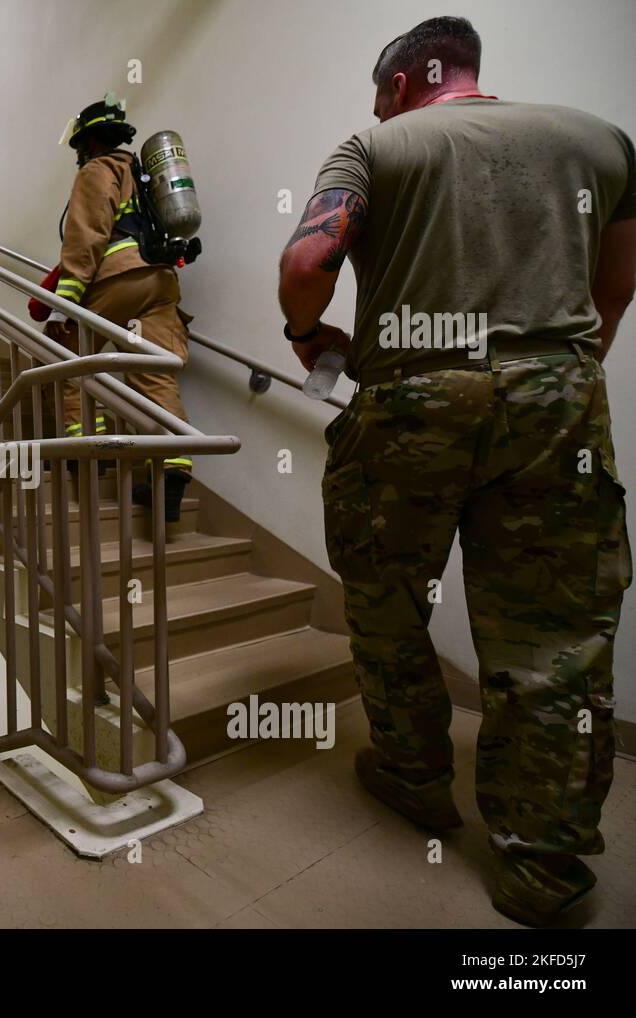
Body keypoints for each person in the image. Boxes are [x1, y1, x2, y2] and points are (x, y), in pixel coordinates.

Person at [278, 16, 635, 927]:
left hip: (411, 398)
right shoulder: (600, 141)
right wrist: (562, 367)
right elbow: (618, 282)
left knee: (389, 604)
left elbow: (310, 259)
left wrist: (308, 337)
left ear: (400, 85)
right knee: (555, 641)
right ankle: (542, 870)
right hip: (556, 401)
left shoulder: (375, 144)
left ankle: (414, 778)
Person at [47, 94, 196, 521]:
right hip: (160, 280)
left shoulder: (98, 170)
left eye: (79, 147)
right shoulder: (142, 171)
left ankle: (89, 451)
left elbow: (86, 235)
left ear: (88, 144)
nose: (77, 155)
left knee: (66, 358)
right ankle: (174, 468)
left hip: (119, 279)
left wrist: (64, 305)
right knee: (153, 372)